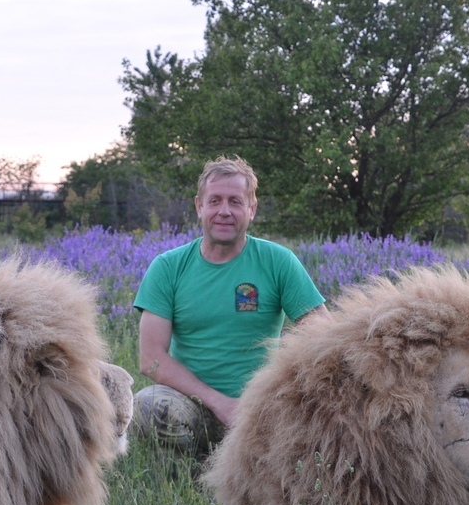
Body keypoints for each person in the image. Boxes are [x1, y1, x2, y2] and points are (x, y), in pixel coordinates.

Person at [132, 155, 327, 455]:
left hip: (263, 408)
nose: (224, 211)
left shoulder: (278, 262)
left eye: (235, 202)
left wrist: (284, 391)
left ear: (252, 209)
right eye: (215, 201)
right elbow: (151, 358)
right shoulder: (168, 267)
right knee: (149, 405)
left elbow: (323, 337)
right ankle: (189, 471)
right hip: (194, 406)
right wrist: (218, 403)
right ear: (199, 206)